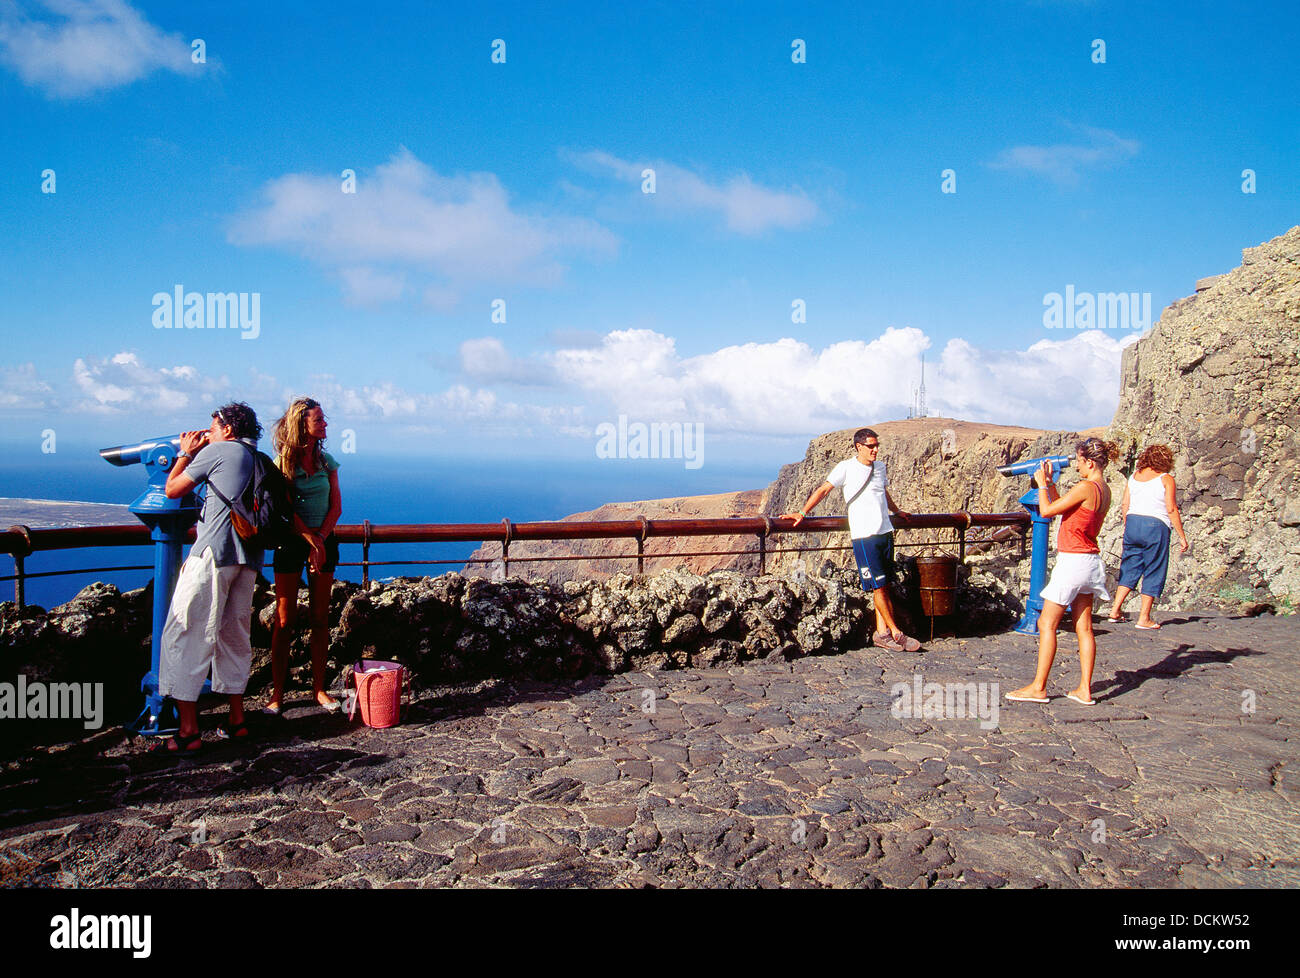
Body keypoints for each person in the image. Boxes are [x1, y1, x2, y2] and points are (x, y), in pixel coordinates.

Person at [156, 402, 265, 751]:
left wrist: (185, 455)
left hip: (214, 555)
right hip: (248, 559)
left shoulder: (219, 451)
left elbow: (173, 490)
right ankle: (236, 721)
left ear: (229, 429)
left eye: (213, 427)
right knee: (233, 636)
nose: (208, 433)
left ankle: (188, 732)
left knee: (186, 632)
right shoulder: (260, 459)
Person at [783, 427, 919, 652]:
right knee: (878, 585)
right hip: (864, 536)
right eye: (871, 446)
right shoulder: (846, 468)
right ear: (859, 447)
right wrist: (803, 512)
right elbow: (824, 490)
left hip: (884, 532)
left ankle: (882, 633)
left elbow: (883, 493)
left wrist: (897, 511)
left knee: (883, 586)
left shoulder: (880, 468)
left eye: (877, 445)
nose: (875, 450)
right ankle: (896, 632)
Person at [1007, 437, 1118, 707]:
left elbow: (1045, 510)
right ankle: (1084, 690)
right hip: (1091, 562)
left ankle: (1039, 687)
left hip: (1073, 562)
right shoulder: (1104, 489)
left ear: (1089, 462)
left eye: (1079, 461)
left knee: (1046, 624)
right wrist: (1052, 484)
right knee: (1084, 627)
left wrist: (1042, 484)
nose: (1077, 466)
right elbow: (1062, 507)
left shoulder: (1085, 487)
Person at [265, 397, 342, 714]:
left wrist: (320, 538)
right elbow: (282, 508)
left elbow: (336, 506)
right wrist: (309, 538)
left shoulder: (328, 463)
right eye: (319, 420)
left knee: (320, 618)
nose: (325, 424)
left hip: (323, 541)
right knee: (284, 620)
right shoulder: (282, 463)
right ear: (302, 425)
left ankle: (319, 689)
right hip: (293, 543)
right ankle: (277, 693)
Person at [1108, 444, 1189, 629]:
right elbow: (1171, 508)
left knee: (1130, 566)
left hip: (1133, 523)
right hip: (1155, 526)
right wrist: (1182, 536)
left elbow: (1124, 504)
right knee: (1154, 568)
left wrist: (1129, 525)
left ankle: (1114, 610)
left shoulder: (1134, 476)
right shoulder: (1166, 479)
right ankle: (1144, 618)